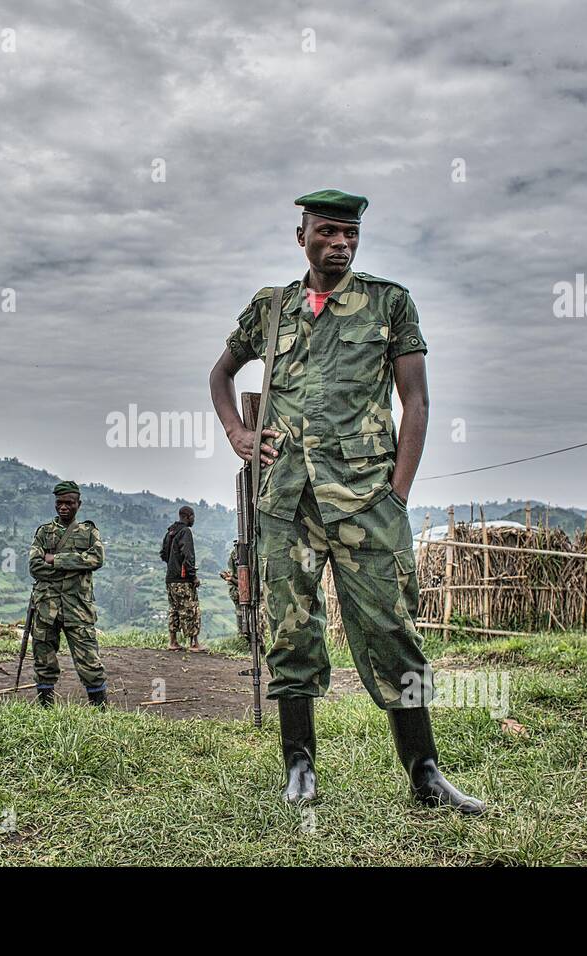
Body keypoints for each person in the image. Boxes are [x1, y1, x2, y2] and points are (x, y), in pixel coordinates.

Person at [208, 188, 483, 813]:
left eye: (350, 234)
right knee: (290, 632)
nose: (340, 243)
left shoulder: (390, 303)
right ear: (301, 234)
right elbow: (220, 374)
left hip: (366, 501)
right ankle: (299, 769)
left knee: (392, 630)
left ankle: (425, 774)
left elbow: (416, 400)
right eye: (328, 231)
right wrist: (239, 434)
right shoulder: (271, 309)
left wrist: (399, 491)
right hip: (285, 501)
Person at [27, 480, 108, 708]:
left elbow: (97, 559)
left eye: (69, 503)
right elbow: (34, 566)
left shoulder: (89, 532)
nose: (63, 507)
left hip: (78, 609)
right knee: (44, 662)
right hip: (46, 608)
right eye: (59, 503)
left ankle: (99, 712)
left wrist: (56, 559)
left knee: (90, 662)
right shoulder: (44, 533)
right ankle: (46, 711)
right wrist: (74, 568)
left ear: (78, 504)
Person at [161, 506, 202, 650]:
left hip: (170, 578)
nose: (194, 520)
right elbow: (188, 556)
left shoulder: (170, 532)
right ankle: (194, 644)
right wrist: (193, 576)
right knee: (191, 609)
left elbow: (163, 554)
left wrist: (173, 564)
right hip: (183, 579)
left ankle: (173, 642)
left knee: (174, 609)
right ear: (188, 516)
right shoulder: (185, 532)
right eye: (193, 517)